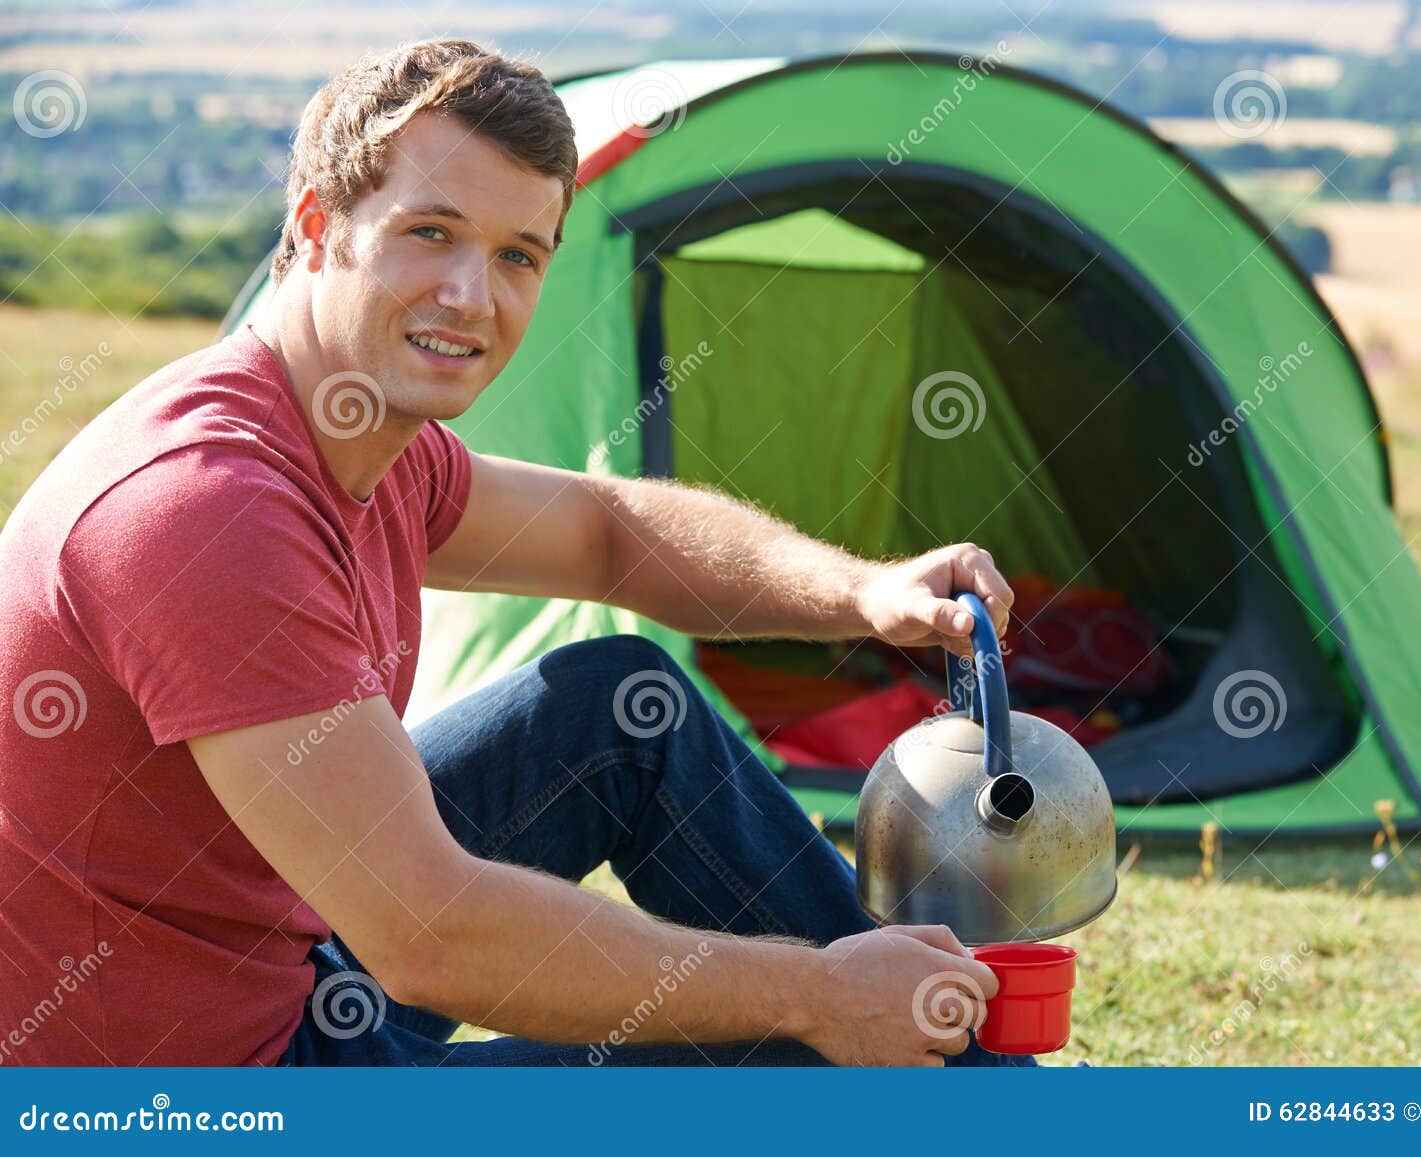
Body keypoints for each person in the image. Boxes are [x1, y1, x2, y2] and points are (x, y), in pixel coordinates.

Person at [0, 38, 1024, 1068]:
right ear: (317, 226)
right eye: (431, 232)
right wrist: (818, 995)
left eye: (516, 255)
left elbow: (607, 533)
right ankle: (954, 1075)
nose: (470, 295)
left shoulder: (354, 435)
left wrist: (865, 589)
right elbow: (427, 936)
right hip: (189, 1089)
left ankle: (950, 1059)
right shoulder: (209, 508)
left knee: (621, 707)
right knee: (800, 1039)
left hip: (290, 970)